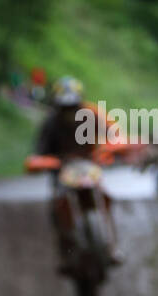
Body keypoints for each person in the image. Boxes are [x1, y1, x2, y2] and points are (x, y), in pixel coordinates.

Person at [33, 75, 123, 267]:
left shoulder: (91, 114)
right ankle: (65, 254)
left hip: (89, 166)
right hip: (62, 171)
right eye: (65, 108)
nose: (69, 112)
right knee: (56, 208)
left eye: (73, 106)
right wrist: (45, 162)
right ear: (57, 105)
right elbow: (39, 151)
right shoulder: (50, 123)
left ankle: (112, 246)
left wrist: (111, 148)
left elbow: (113, 133)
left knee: (105, 197)